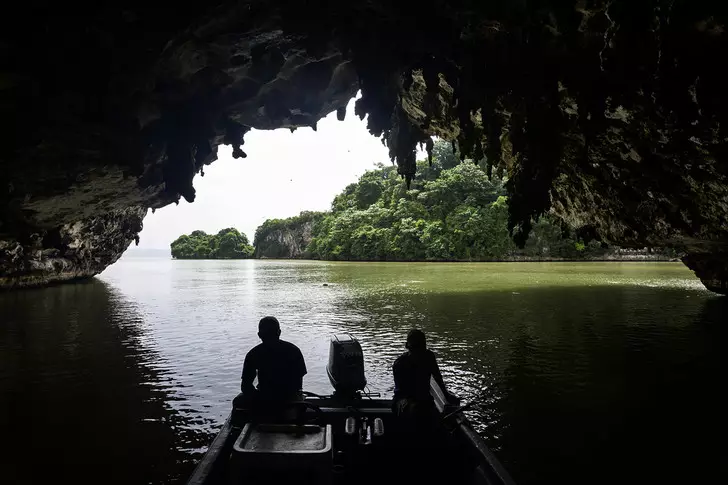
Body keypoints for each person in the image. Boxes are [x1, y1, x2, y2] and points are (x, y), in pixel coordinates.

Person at [239, 316, 307, 408]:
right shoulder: (294, 350)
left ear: (259, 335)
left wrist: (259, 397)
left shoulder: (253, 354)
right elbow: (298, 385)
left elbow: (245, 387)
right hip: (291, 400)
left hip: (264, 399)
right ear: (279, 332)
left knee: (238, 401)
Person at [392, 329, 452, 419]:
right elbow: (401, 392)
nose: (418, 352)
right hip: (405, 399)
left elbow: (438, 379)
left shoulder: (429, 357)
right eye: (416, 348)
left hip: (424, 400)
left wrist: (447, 396)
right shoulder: (400, 363)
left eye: (420, 347)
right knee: (415, 410)